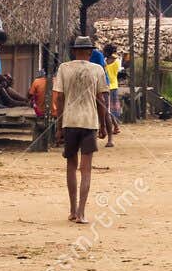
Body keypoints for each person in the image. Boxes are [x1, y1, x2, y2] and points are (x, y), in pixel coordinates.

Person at [51, 35, 110, 224]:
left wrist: (59, 126)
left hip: (69, 121)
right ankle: (82, 213)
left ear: (74, 51)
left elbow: (58, 99)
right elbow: (101, 100)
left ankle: (72, 210)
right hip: (89, 122)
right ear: (90, 52)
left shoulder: (64, 68)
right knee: (86, 170)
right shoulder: (97, 69)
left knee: (71, 166)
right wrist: (102, 125)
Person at [103, 44, 123, 142]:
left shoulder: (104, 62)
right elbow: (119, 72)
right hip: (114, 85)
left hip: (107, 87)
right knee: (111, 110)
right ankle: (116, 126)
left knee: (108, 110)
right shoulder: (117, 61)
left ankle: (114, 127)